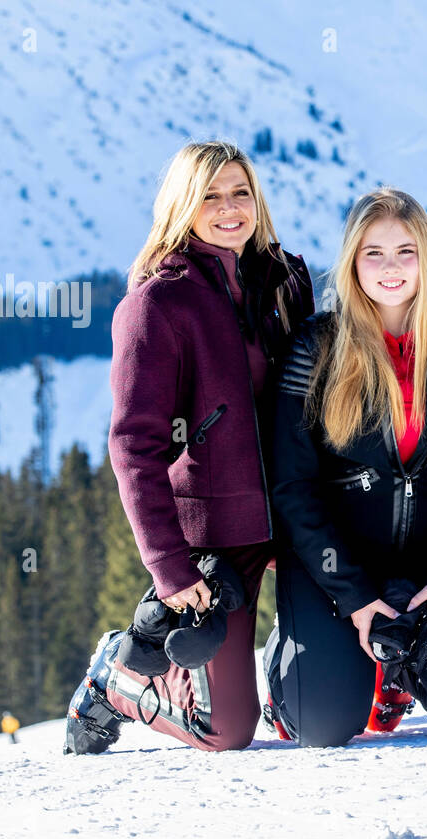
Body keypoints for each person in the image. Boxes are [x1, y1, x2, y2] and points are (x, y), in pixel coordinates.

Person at [64, 141, 314, 755]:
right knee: (227, 732)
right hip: (216, 541)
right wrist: (170, 568)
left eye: (240, 193)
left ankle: (294, 685)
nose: (229, 209)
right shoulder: (156, 305)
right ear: (182, 204)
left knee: (329, 715)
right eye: (210, 196)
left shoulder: (286, 280)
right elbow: (133, 447)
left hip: (295, 519)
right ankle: (120, 677)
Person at [266, 187, 427, 747]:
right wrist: (352, 595)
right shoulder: (317, 346)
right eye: (373, 253)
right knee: (324, 726)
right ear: (352, 261)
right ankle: (300, 657)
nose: (391, 267)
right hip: (335, 574)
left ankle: (398, 670)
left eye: (406, 251)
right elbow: (292, 485)